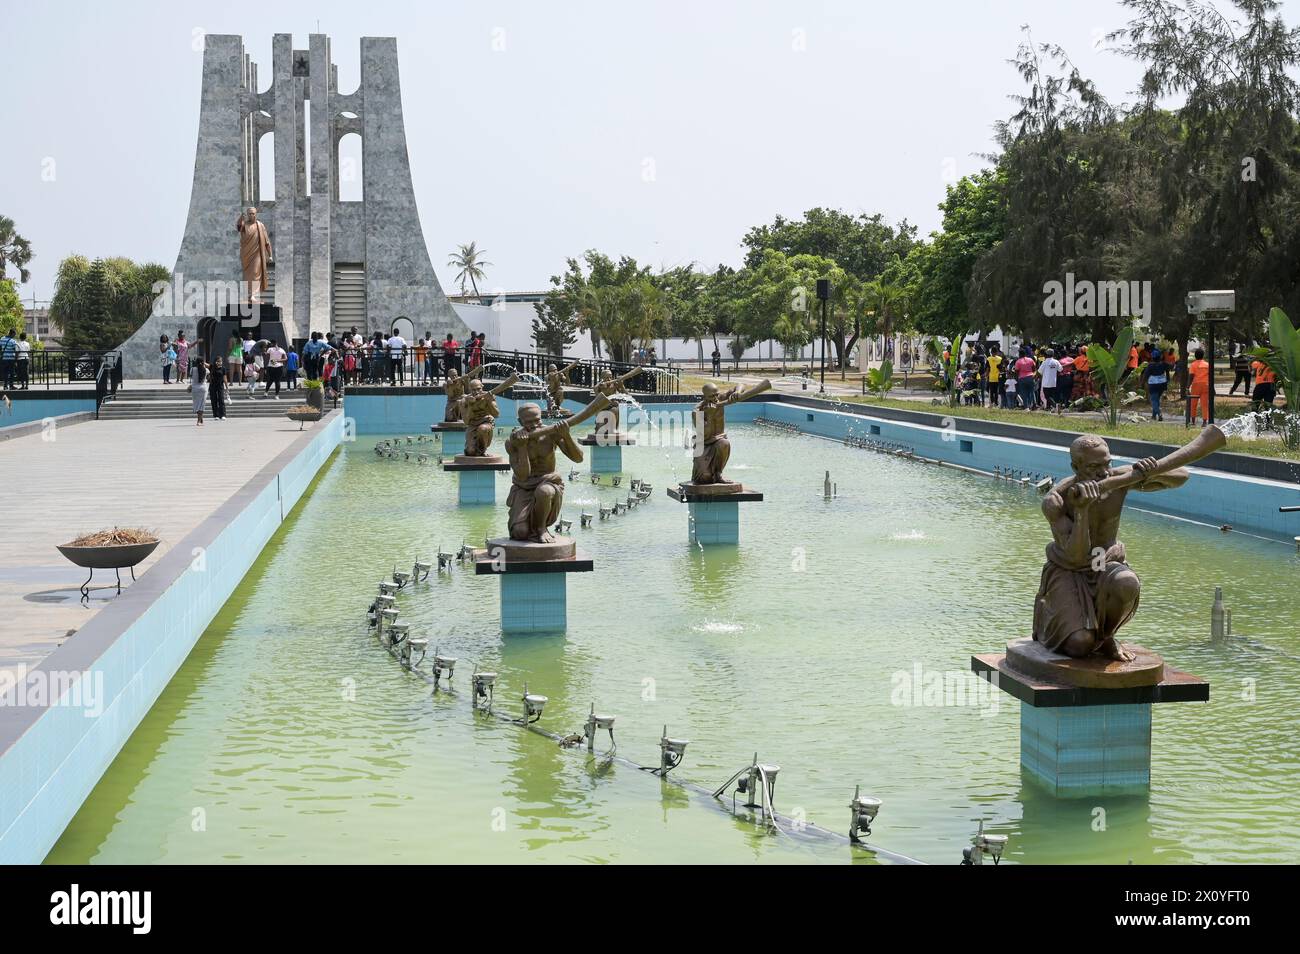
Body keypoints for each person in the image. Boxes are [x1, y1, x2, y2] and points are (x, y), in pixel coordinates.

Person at [1143, 347, 1170, 420]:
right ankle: (1153, 416)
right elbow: (1167, 373)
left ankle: (1159, 413)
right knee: (1157, 399)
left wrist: (1142, 383)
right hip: (1162, 384)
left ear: (1152, 357)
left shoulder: (1150, 365)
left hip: (1153, 384)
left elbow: (1146, 375)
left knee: (1154, 400)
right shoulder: (1164, 364)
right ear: (1160, 357)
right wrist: (1168, 381)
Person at [1188, 348, 1210, 424]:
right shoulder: (1207, 365)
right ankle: (1204, 422)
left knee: (1193, 404)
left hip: (1196, 385)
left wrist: (1188, 387)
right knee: (1204, 404)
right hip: (1206, 385)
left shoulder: (1193, 365)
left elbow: (1191, 376)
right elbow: (1210, 376)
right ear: (1203, 356)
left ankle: (1193, 421)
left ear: (1195, 356)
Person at [191, 358, 208, 426]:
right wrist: (205, 364)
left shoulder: (192, 369)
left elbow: (191, 376)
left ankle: (200, 419)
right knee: (202, 405)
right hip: (203, 388)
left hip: (195, 388)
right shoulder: (206, 370)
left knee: (197, 404)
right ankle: (199, 420)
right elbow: (209, 375)